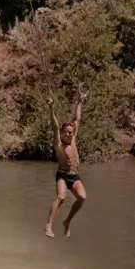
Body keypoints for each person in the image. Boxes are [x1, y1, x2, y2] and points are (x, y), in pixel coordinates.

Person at [44, 85, 88, 238]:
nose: (70, 134)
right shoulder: (59, 144)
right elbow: (54, 127)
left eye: (71, 132)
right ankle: (49, 225)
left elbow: (77, 118)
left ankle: (67, 221)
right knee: (61, 197)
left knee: (82, 197)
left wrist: (79, 101)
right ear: (62, 134)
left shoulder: (73, 140)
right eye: (67, 132)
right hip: (62, 175)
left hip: (74, 176)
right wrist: (51, 109)